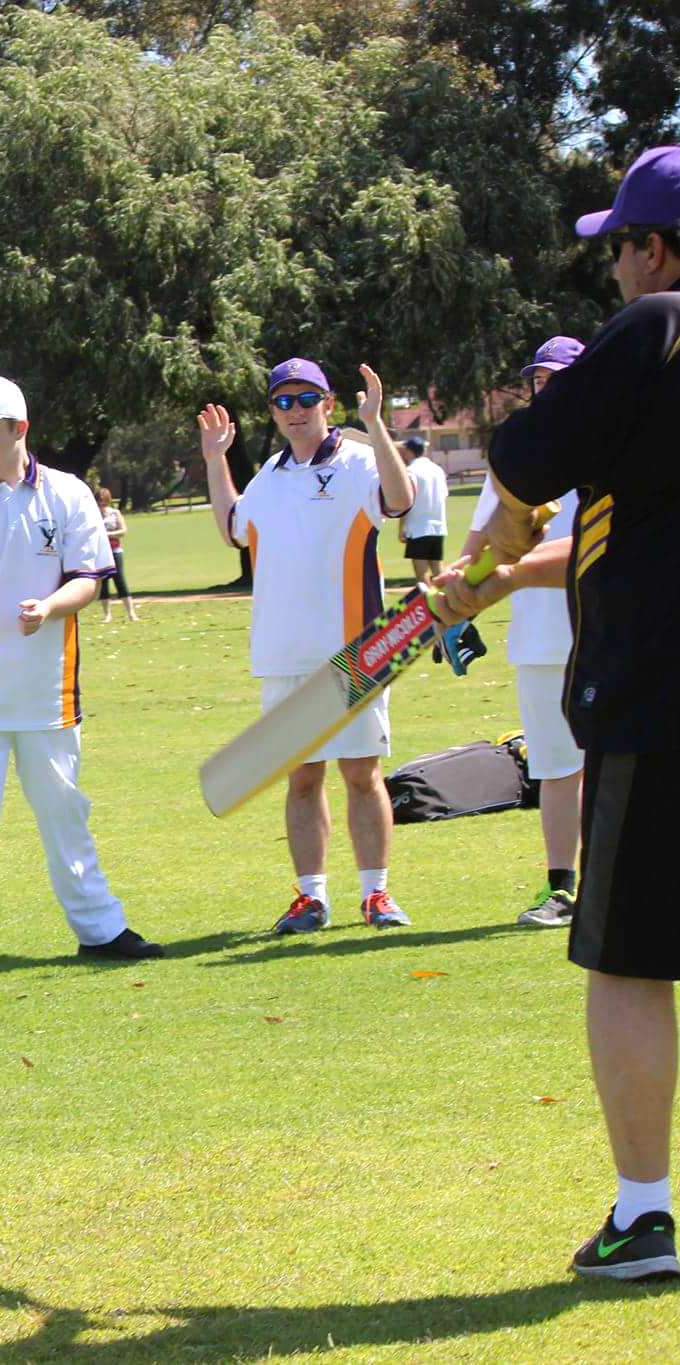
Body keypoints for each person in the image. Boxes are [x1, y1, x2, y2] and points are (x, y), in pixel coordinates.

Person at [446, 144, 680, 1281]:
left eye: (621, 248)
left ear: (655, 249)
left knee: (630, 961)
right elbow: (621, 514)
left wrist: (489, 542)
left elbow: (526, 455)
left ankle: (644, 1217)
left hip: (656, 703)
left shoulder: (656, 326)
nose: (616, 272)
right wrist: (501, 573)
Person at [0, 375, 163, 989]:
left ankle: (100, 929)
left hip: (47, 692)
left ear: (20, 430)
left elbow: (87, 579)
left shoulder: (68, 495)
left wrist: (48, 608)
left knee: (65, 813)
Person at [197, 358, 417, 935]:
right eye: (283, 401)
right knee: (302, 778)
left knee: (362, 773)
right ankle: (311, 898)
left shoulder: (358, 461)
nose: (295, 411)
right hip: (283, 653)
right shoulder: (269, 476)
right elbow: (233, 528)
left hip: (354, 652)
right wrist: (216, 460)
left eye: (306, 399)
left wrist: (376, 424)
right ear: (272, 411)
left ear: (328, 403)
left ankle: (376, 893)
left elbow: (400, 500)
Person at [454, 337, 585, 929]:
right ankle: (562, 889)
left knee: (619, 768)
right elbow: (477, 549)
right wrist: (456, 611)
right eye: (539, 379)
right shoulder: (516, 460)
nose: (547, 388)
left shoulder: (617, 447)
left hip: (609, 633)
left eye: (560, 378)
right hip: (538, 642)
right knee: (556, 769)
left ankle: (619, 886)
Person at [399, 436, 449, 585]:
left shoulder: (410, 471)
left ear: (409, 451)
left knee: (421, 574)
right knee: (438, 570)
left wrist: (401, 528)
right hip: (438, 527)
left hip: (418, 528)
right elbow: (444, 495)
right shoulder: (438, 470)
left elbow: (406, 501)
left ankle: (428, 600)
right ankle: (447, 598)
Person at [94, 485, 139, 623]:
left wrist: (108, 534)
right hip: (99, 552)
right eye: (99, 501)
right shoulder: (93, 514)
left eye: (104, 501)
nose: (101, 504)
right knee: (103, 582)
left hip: (115, 550)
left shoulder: (115, 513)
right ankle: (107, 615)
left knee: (120, 580)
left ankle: (131, 613)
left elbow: (123, 530)